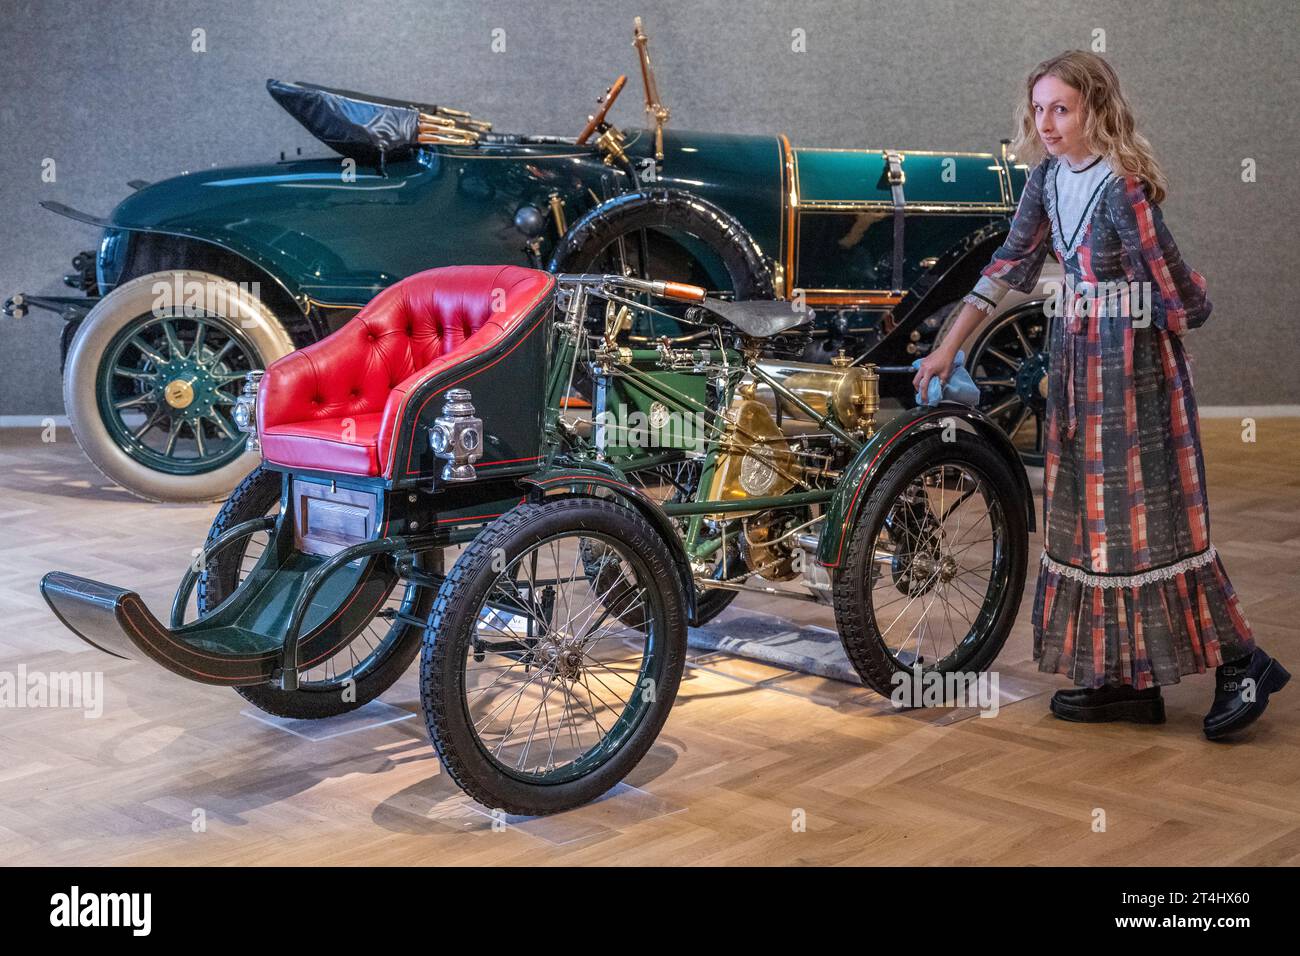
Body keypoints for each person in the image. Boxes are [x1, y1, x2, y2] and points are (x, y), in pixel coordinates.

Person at [912, 51, 1288, 739]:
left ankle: (1244, 660)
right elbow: (1010, 266)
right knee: (1092, 519)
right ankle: (1126, 678)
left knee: (1157, 522)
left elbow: (1179, 295)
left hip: (1136, 372)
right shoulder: (1047, 180)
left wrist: (1138, 306)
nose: (1047, 124)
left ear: (1096, 110)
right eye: (1040, 110)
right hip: (1081, 363)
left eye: (1063, 109)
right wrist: (951, 343)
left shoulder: (1124, 186)